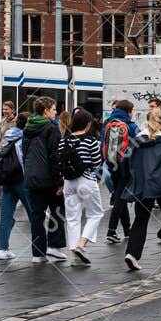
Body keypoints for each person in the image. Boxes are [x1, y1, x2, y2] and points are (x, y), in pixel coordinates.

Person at [120, 109, 161, 270]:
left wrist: (133, 177)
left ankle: (132, 253)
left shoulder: (136, 141)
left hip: (142, 184)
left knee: (140, 219)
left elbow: (124, 163)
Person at [21, 97, 66, 263]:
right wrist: (59, 181)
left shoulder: (27, 127)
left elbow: (25, 154)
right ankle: (55, 246)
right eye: (54, 109)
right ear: (46, 111)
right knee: (58, 210)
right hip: (48, 178)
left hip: (31, 177)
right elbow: (55, 157)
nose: (56, 112)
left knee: (37, 216)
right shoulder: (51, 128)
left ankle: (38, 253)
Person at [59, 107, 104, 266]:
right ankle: (82, 244)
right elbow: (97, 163)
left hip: (68, 182)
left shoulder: (64, 140)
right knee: (96, 213)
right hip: (86, 180)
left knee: (72, 218)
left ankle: (75, 256)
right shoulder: (91, 141)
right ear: (87, 124)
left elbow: (59, 161)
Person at [0, 120, 28, 262]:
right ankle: (39, 252)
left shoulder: (8, 136)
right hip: (21, 180)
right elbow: (24, 160)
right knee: (33, 214)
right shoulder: (25, 138)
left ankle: (2, 249)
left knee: (5, 216)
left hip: (7, 179)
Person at [102, 99, 136, 244]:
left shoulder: (108, 124)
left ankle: (127, 230)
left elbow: (102, 144)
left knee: (118, 194)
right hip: (125, 167)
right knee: (120, 199)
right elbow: (137, 145)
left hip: (111, 164)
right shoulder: (131, 126)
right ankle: (111, 230)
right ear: (129, 112)